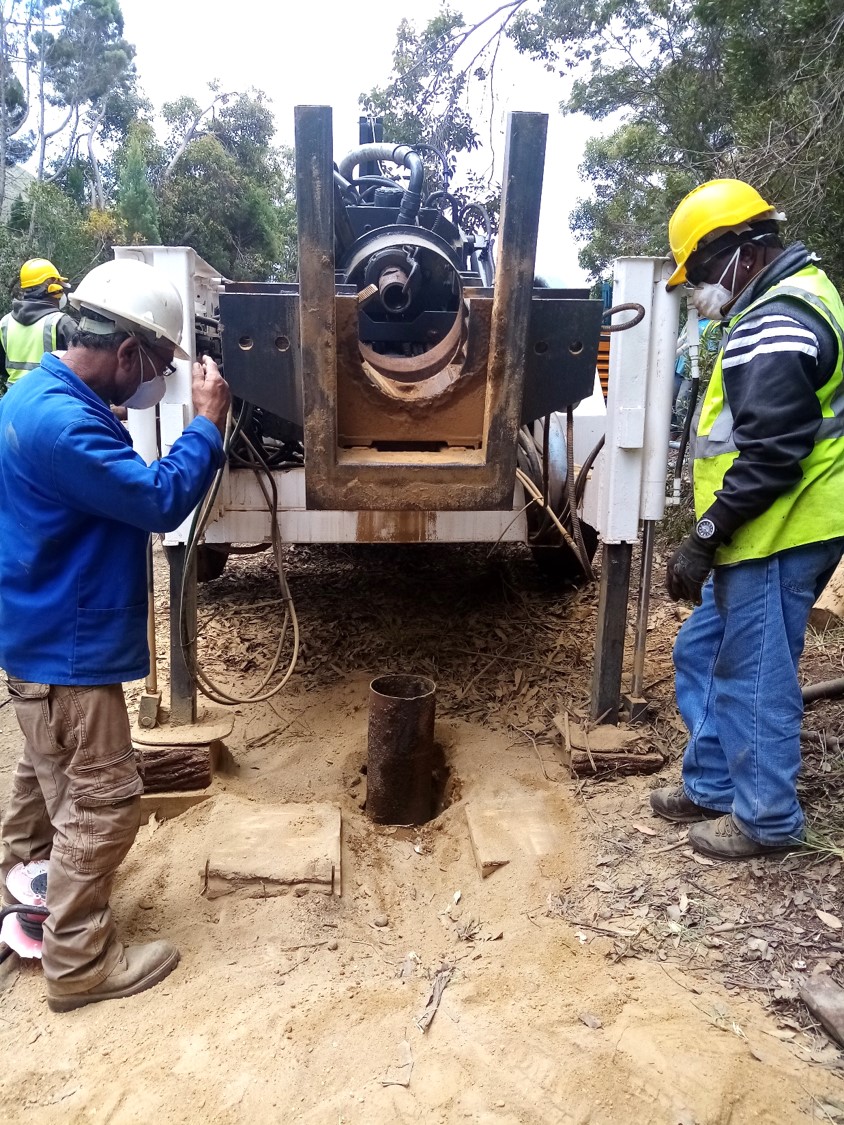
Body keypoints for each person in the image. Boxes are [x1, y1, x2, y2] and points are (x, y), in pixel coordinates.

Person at [0, 257, 231, 1010]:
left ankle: (22, 910)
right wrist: (206, 424)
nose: (158, 379)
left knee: (42, 785)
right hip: (68, 652)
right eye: (158, 364)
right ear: (126, 351)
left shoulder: (35, 394)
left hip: (37, 635)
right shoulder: (65, 426)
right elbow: (159, 498)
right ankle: (77, 961)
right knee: (104, 802)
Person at [650, 178, 844, 860]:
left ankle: (766, 818)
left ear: (742, 250)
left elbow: (770, 454)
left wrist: (704, 537)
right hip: (764, 528)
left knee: (753, 673)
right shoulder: (783, 302)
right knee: (702, 649)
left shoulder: (777, 319)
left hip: (780, 529)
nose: (700, 289)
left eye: (702, 272)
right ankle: (712, 783)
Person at [0, 258, 77, 395]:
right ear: (54, 289)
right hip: (50, 399)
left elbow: (2, 367)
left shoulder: (5, 323)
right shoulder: (61, 323)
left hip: (14, 398)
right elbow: (81, 368)